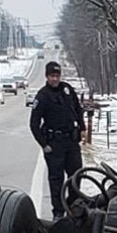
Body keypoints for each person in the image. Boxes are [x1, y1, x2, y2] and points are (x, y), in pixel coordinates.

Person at [29, 61, 86, 216]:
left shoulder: (67, 90)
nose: (54, 79)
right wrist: (44, 144)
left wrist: (82, 128)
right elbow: (34, 124)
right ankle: (58, 212)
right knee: (56, 181)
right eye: (51, 76)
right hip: (54, 144)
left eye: (57, 76)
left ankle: (73, 207)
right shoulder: (42, 96)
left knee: (76, 176)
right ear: (47, 77)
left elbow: (78, 109)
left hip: (71, 141)